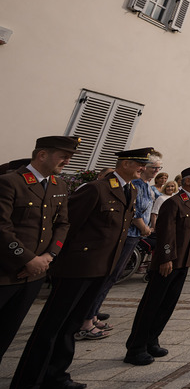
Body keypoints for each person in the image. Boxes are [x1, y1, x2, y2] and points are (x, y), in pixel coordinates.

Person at [11, 147, 148, 389]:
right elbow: (67, 225)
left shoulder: (130, 190)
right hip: (76, 268)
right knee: (51, 327)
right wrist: (51, 258)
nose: (144, 169)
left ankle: (56, 374)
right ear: (125, 164)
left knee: (72, 324)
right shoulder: (97, 189)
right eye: (140, 163)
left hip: (101, 268)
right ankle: (29, 380)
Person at [0, 136, 75, 363]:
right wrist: (27, 259)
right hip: (5, 273)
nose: (67, 162)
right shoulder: (10, 182)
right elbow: (2, 226)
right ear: (42, 155)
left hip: (35, 275)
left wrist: (48, 257)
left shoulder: (58, 185)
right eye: (63, 156)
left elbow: (63, 224)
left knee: (7, 332)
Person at [123, 165, 190, 365]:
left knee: (167, 304)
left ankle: (152, 340)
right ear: (187, 181)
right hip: (168, 262)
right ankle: (136, 347)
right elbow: (166, 233)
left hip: (182, 262)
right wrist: (166, 258)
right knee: (152, 304)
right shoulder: (173, 203)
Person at [79, 150, 161, 340]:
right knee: (107, 277)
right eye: (153, 167)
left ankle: (91, 315)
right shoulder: (136, 185)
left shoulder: (144, 186)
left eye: (158, 167)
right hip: (129, 234)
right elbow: (134, 212)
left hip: (131, 236)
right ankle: (86, 319)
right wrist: (144, 228)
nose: (156, 170)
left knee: (110, 277)